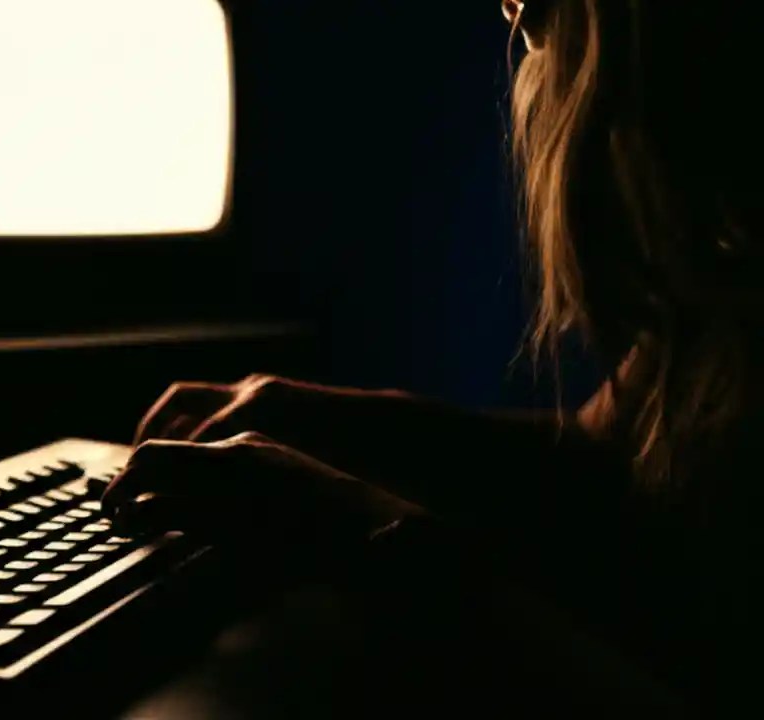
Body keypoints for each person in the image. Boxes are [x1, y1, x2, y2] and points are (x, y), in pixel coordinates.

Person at [103, 1, 759, 712]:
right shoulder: (724, 273)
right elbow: (596, 465)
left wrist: (353, 530)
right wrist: (315, 419)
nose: (514, 9)